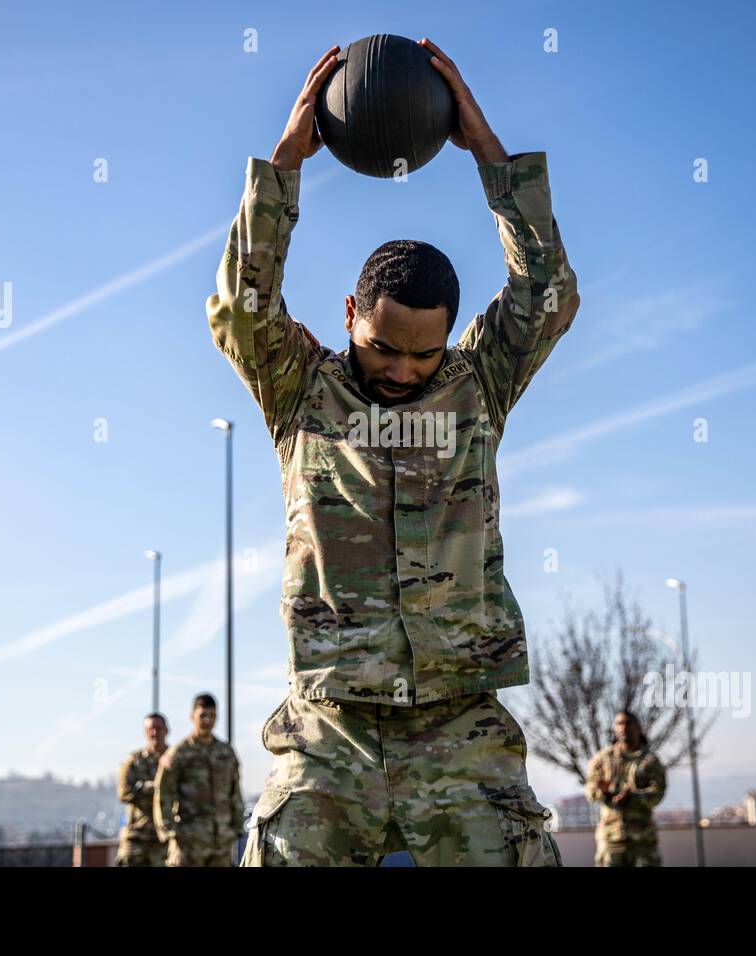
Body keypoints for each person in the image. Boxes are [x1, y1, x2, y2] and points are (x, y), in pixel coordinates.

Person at [207, 38, 580, 866]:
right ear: (349, 314)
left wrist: (489, 154)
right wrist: (284, 168)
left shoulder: (477, 385)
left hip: (460, 728)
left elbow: (546, 294)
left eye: (423, 354)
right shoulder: (299, 388)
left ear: (449, 337)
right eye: (384, 349)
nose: (404, 371)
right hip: (329, 730)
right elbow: (241, 304)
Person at [154, 694, 244, 867]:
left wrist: (237, 827)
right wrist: (171, 832)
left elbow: (235, 792)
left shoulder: (226, 752)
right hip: (189, 843)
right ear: (192, 716)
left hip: (222, 843)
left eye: (212, 716)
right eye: (203, 715)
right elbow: (163, 792)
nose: (207, 720)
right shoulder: (179, 753)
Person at [585, 710, 668, 867]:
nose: (623, 728)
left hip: (642, 841)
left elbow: (658, 793)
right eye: (619, 724)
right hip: (611, 839)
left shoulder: (650, 761)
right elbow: (590, 789)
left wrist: (634, 796)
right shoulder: (603, 758)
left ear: (638, 727)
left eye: (628, 723)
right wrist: (601, 791)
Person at [115, 712, 170, 867]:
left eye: (158, 728)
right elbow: (124, 792)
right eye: (150, 729)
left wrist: (141, 789)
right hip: (137, 836)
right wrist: (155, 789)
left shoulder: (175, 759)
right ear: (145, 732)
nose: (154, 733)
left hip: (165, 837)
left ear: (166, 731)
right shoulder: (134, 761)